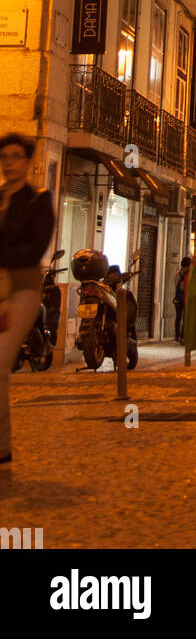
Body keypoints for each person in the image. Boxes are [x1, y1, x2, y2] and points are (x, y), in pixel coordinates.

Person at [0, 132, 55, 464]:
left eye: (16, 156)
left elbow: (35, 248)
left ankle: (2, 445)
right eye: (4, 156)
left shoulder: (38, 201)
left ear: (28, 161)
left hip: (22, 290)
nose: (9, 162)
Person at [173, 256, 191, 342]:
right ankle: (183, 336)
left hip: (178, 299)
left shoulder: (177, 274)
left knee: (178, 317)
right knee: (185, 318)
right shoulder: (189, 274)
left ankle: (177, 335)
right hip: (187, 298)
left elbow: (176, 284)